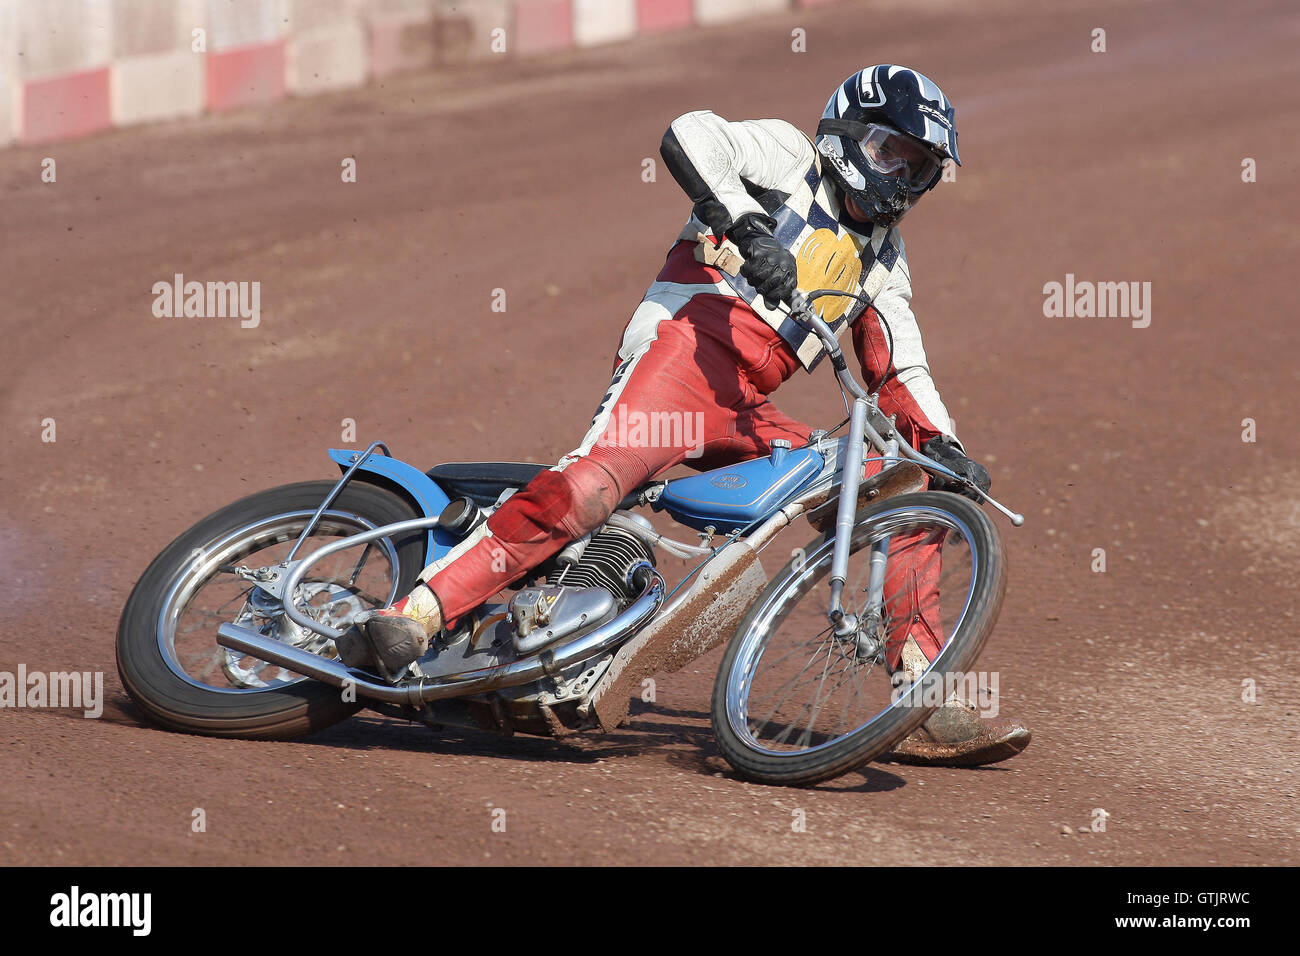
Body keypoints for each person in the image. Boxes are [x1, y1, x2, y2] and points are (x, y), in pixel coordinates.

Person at [337, 64, 1030, 766]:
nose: (899, 180)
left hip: (742, 407)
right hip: (684, 352)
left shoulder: (883, 260)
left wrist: (944, 446)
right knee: (592, 487)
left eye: (918, 169)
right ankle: (414, 618)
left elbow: (901, 367)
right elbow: (692, 135)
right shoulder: (789, 157)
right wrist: (747, 225)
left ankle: (924, 690)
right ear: (846, 133)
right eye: (891, 153)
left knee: (903, 484)